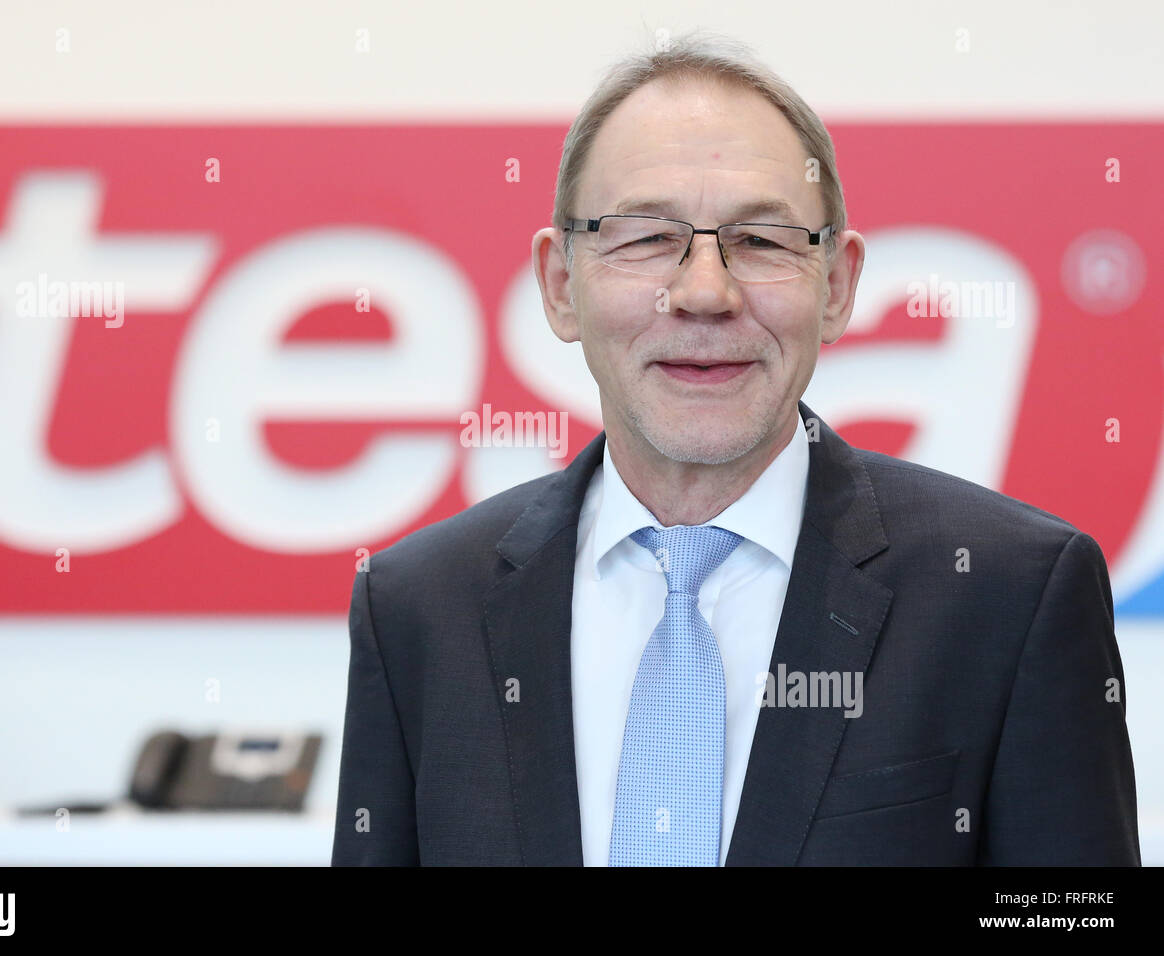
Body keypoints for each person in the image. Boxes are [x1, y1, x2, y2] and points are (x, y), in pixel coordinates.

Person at [330, 32, 1140, 866]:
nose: (706, 292)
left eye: (761, 241)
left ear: (838, 286)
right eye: (645, 237)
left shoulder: (1012, 597)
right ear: (561, 285)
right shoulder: (417, 610)